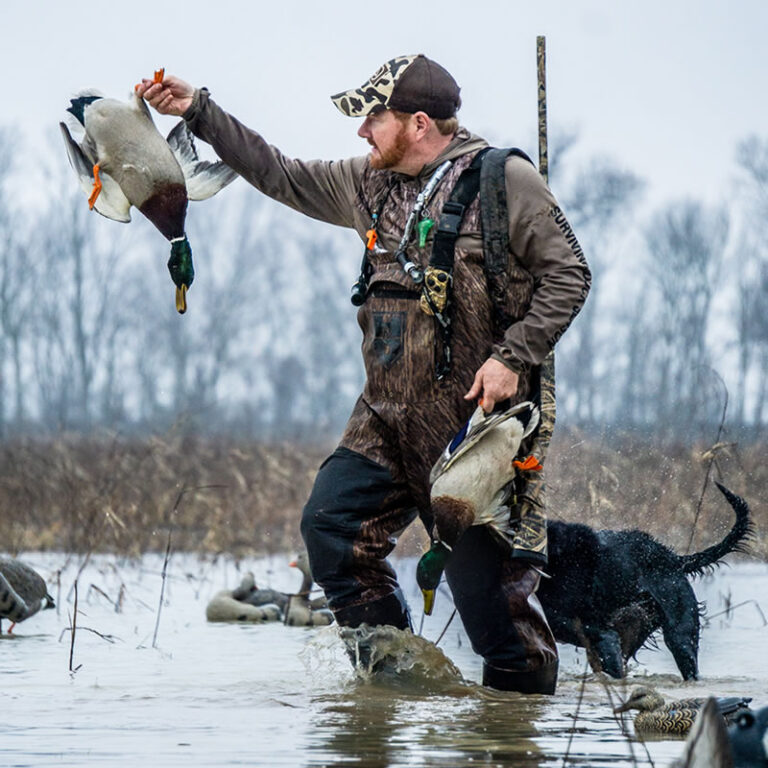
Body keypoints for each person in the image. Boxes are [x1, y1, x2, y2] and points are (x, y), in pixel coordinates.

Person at [138, 54, 591, 694]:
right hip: (383, 417)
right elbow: (280, 173)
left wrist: (513, 356)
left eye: (373, 118)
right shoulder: (367, 183)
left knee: (497, 620)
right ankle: (396, 686)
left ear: (420, 123)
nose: (361, 133)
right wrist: (200, 112)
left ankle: (516, 736)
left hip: (475, 431)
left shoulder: (505, 181)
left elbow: (569, 275)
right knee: (331, 531)